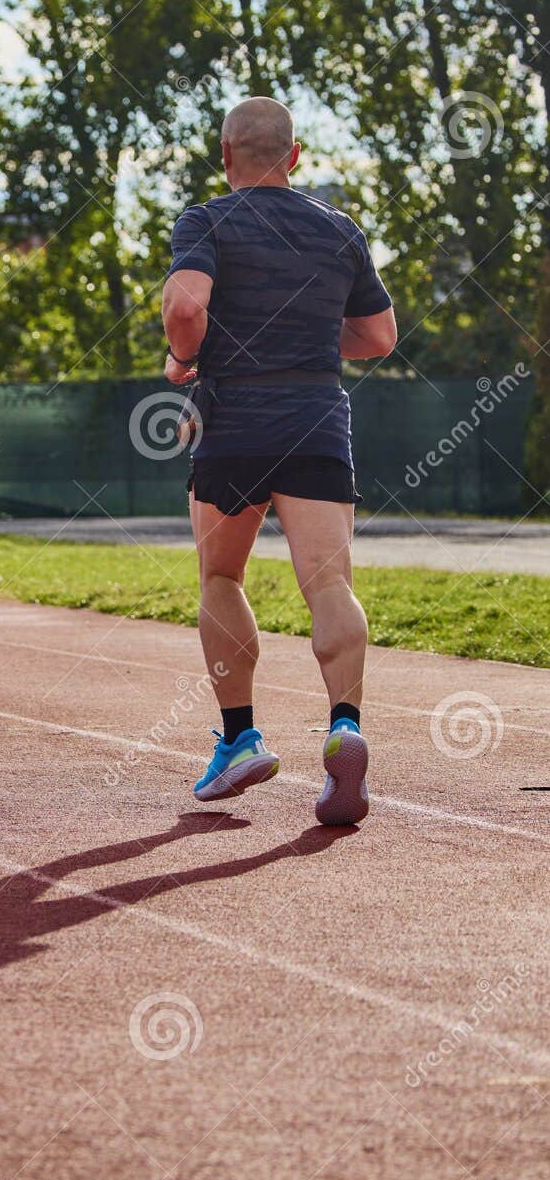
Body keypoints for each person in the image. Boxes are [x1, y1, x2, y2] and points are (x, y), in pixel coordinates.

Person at [162, 97, 396, 825]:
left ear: (224, 156)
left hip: (233, 421)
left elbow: (185, 305)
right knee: (329, 584)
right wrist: (309, 345)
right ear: (294, 158)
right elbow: (379, 336)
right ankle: (345, 726)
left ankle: (239, 741)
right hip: (317, 419)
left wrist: (181, 358)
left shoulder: (206, 219)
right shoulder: (337, 227)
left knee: (222, 574)